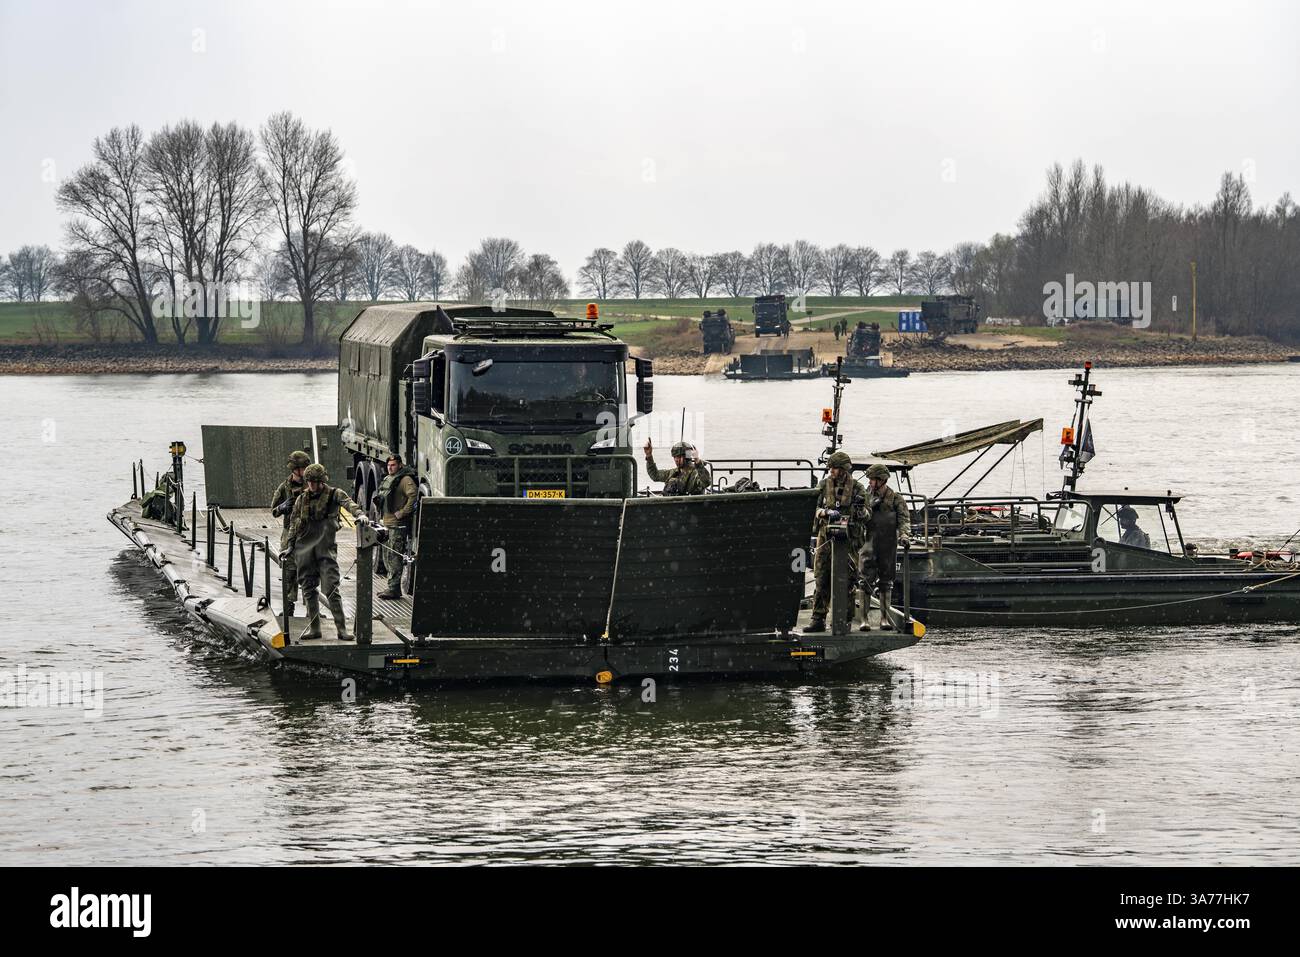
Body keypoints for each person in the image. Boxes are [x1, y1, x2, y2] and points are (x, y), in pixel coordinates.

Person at [284, 463, 366, 641]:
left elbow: (349, 504)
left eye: (315, 481)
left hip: (325, 550)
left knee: (331, 588)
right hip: (304, 549)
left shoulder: (334, 494)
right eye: (309, 482)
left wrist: (360, 514)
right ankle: (315, 628)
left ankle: (342, 629)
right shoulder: (301, 499)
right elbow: (293, 523)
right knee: (308, 588)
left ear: (322, 481)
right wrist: (290, 545)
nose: (312, 485)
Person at [805, 450, 868, 632]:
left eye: (834, 468)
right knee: (821, 578)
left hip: (849, 541)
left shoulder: (857, 488)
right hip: (826, 538)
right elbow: (812, 507)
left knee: (847, 581)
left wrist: (860, 509)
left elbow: (867, 515)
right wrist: (824, 512)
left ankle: (843, 620)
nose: (831, 472)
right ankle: (818, 619)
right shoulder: (824, 485)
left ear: (843, 469)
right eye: (830, 469)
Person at [861, 462, 911, 631]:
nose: (870, 483)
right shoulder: (864, 496)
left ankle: (884, 618)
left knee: (886, 582)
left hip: (888, 544)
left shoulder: (896, 499)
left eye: (873, 480)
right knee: (865, 581)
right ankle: (864, 619)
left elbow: (904, 520)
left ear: (882, 480)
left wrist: (904, 535)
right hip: (868, 543)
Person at [270, 450, 311, 618]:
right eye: (302, 468)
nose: (305, 472)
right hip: (289, 535)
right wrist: (282, 507)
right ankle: (288, 609)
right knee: (289, 572)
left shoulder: (312, 484)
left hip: (308, 534)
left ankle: (312, 609)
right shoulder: (284, 487)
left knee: (309, 573)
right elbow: (273, 510)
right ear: (294, 469)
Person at [376, 454, 419, 600]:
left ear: (400, 465)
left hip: (397, 525)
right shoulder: (389, 479)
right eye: (388, 465)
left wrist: (403, 512)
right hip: (388, 523)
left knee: (394, 557)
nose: (390, 467)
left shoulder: (405, 480)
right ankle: (391, 587)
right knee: (387, 556)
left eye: (393, 465)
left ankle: (394, 589)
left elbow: (413, 497)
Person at [644, 439, 708, 495]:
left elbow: (706, 482)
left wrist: (697, 461)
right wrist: (649, 456)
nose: (676, 460)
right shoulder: (674, 472)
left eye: (679, 457)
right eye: (675, 457)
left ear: (686, 457)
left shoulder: (696, 473)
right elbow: (655, 475)